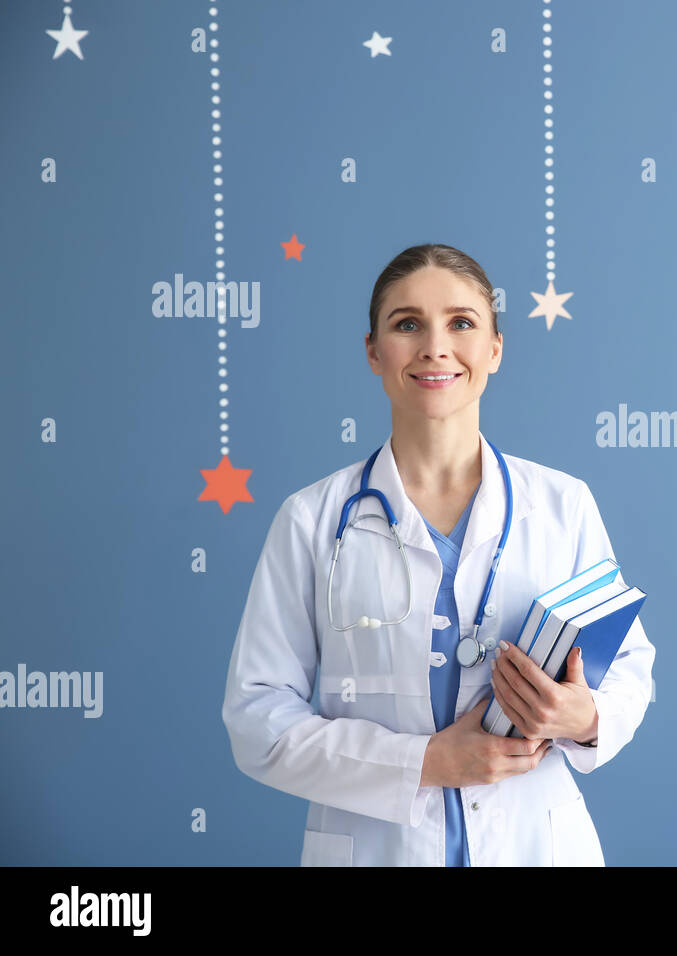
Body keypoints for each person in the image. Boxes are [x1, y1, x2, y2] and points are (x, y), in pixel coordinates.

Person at [221, 243, 655, 866]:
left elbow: (631, 666)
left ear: (496, 349)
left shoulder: (563, 505)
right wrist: (422, 764)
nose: (435, 347)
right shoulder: (311, 520)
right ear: (373, 351)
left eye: (461, 323)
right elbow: (256, 719)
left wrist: (584, 715)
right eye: (407, 324)